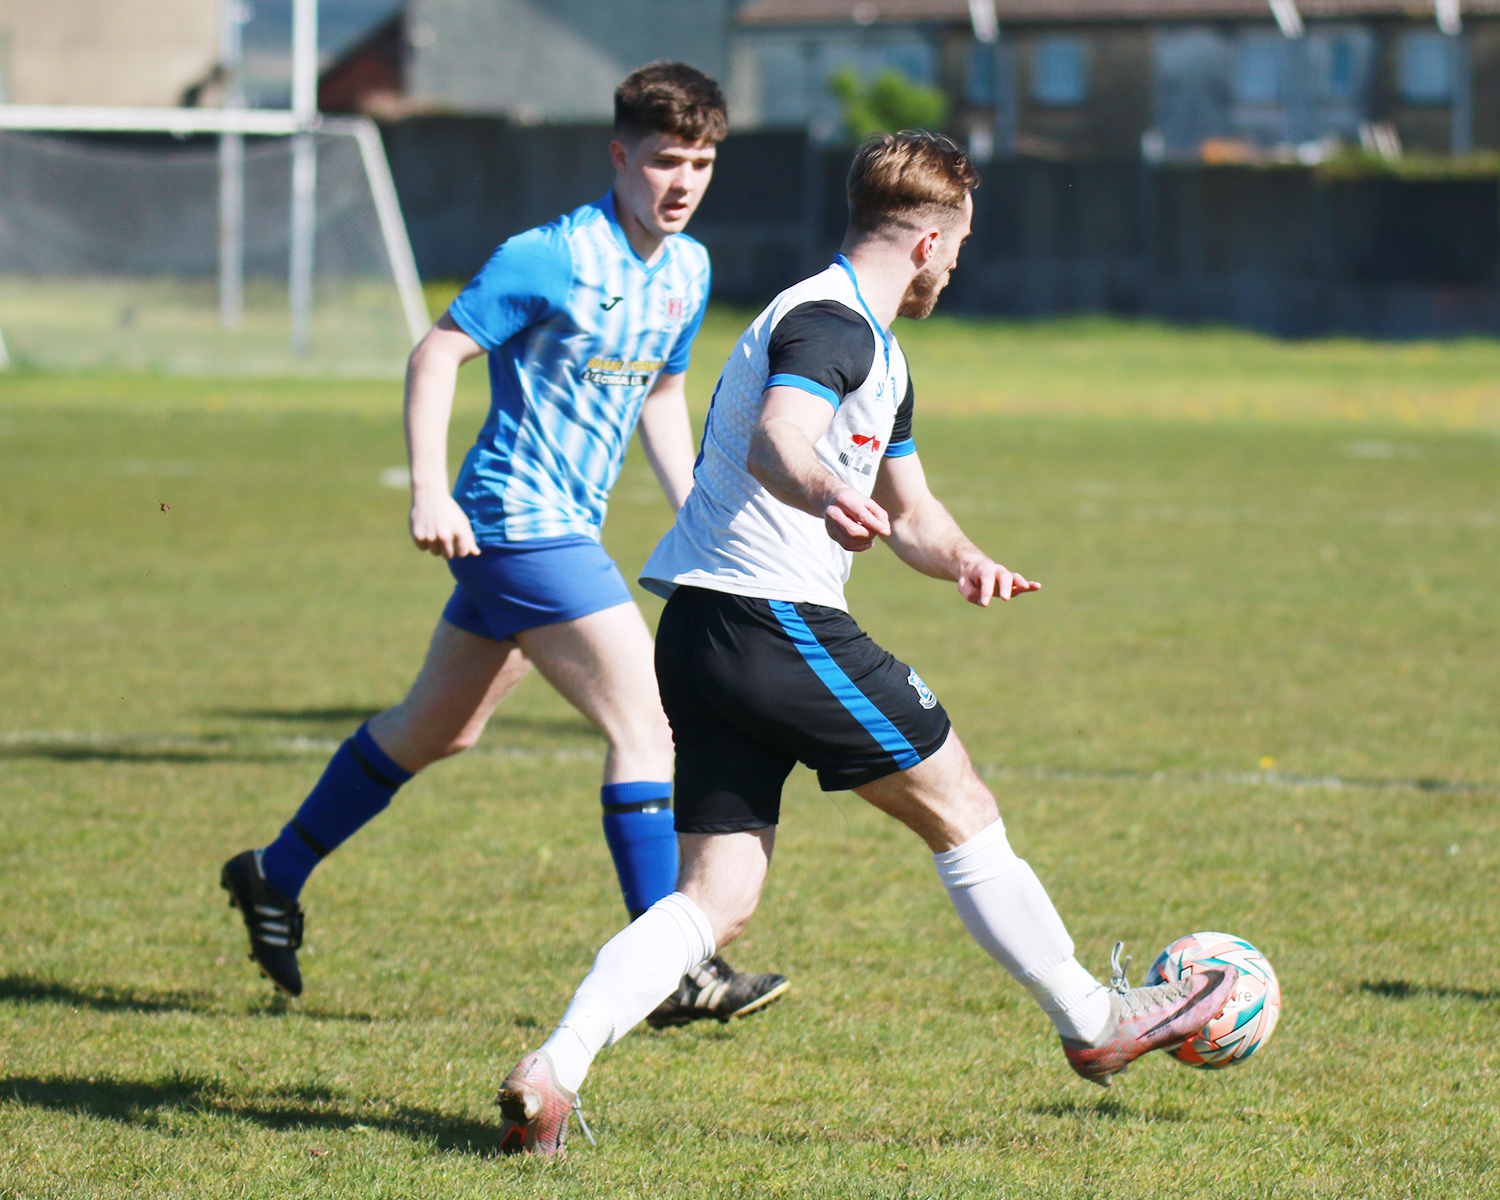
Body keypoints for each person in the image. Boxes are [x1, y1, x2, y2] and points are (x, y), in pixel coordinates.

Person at [492, 130, 1238, 1156]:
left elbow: (915, 513)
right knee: (962, 805)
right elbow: (779, 441)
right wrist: (828, 490)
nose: (960, 265)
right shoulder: (831, 324)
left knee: (718, 896)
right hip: (774, 620)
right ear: (930, 242)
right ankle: (1094, 1023)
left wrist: (967, 557)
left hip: (701, 631)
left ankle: (555, 1070)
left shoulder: (872, 347)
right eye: (961, 246)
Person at [218, 62, 788, 1027]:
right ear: (620, 156)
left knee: (440, 728)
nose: (682, 182)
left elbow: (659, 390)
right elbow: (436, 352)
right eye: (663, 162)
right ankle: (669, 966)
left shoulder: (687, 270)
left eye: (699, 162)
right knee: (648, 727)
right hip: (516, 522)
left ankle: (272, 874)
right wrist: (430, 488)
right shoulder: (549, 255)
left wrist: (697, 507)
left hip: (560, 527)